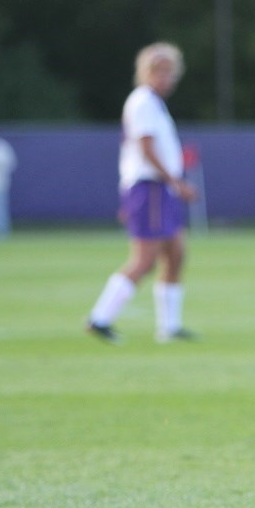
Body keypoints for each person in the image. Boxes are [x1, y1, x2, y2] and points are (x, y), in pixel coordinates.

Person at [85, 42, 197, 344]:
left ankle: (169, 326)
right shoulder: (143, 102)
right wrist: (175, 181)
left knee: (176, 253)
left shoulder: (154, 104)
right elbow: (146, 148)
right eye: (159, 71)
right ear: (145, 72)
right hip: (151, 188)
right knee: (145, 259)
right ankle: (100, 318)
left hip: (159, 189)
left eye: (170, 72)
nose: (166, 78)